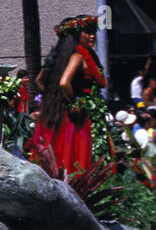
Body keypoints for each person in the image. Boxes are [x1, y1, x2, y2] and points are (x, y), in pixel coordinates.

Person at [29, 15, 106, 177]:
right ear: (77, 35)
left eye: (94, 32)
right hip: (75, 117)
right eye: (88, 32)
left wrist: (52, 97)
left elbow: (39, 81)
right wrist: (74, 103)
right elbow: (64, 83)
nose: (92, 36)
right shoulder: (78, 56)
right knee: (75, 153)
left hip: (59, 113)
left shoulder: (70, 55)